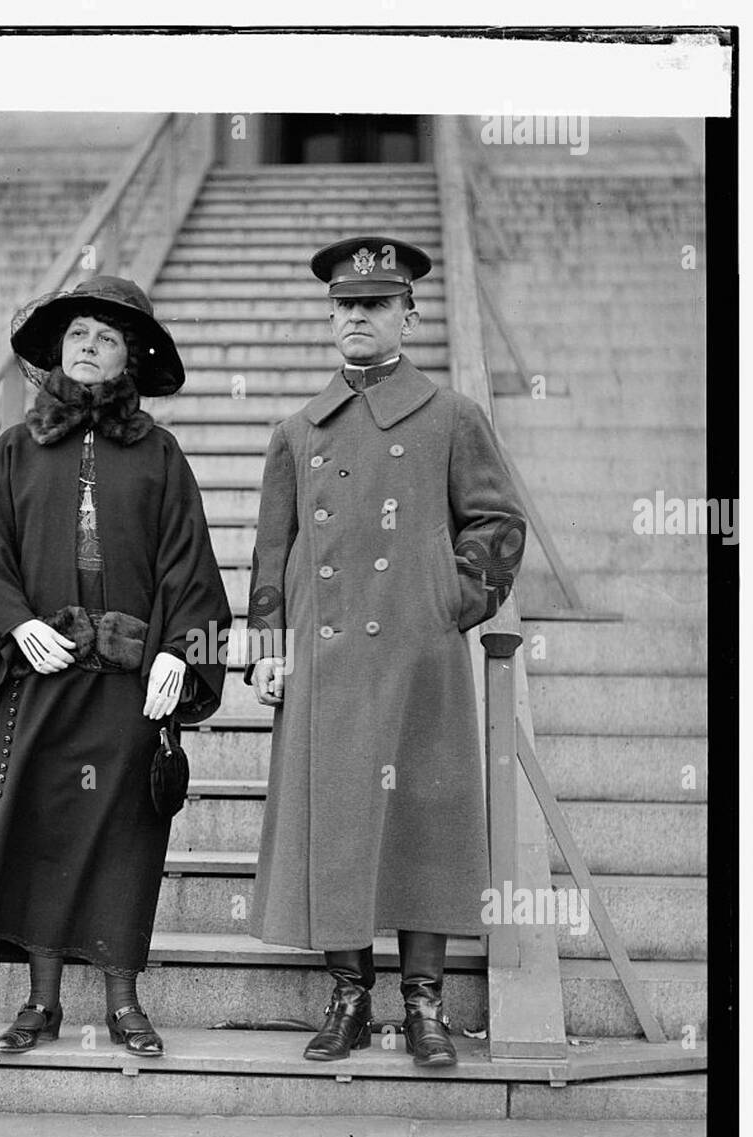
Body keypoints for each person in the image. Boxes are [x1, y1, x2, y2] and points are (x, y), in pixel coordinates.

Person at [246, 236, 526, 1067]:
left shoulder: (450, 416)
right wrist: (265, 647)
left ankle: (424, 1006)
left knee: (422, 824)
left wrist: (452, 599)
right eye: (344, 306)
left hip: (415, 655)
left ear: (408, 313)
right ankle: (348, 1000)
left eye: (373, 305)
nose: (356, 319)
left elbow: (496, 523)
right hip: (324, 659)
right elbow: (270, 553)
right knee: (337, 825)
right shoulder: (297, 431)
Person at [0, 275, 231, 1057]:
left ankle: (122, 1003)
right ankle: (38, 1004)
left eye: (106, 338)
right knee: (40, 830)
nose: (89, 346)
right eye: (77, 334)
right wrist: (13, 624)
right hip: (42, 676)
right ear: (57, 351)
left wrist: (180, 651)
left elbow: (191, 568)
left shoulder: (161, 455)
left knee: (123, 840)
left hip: (129, 687)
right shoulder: (12, 451)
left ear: (129, 357)